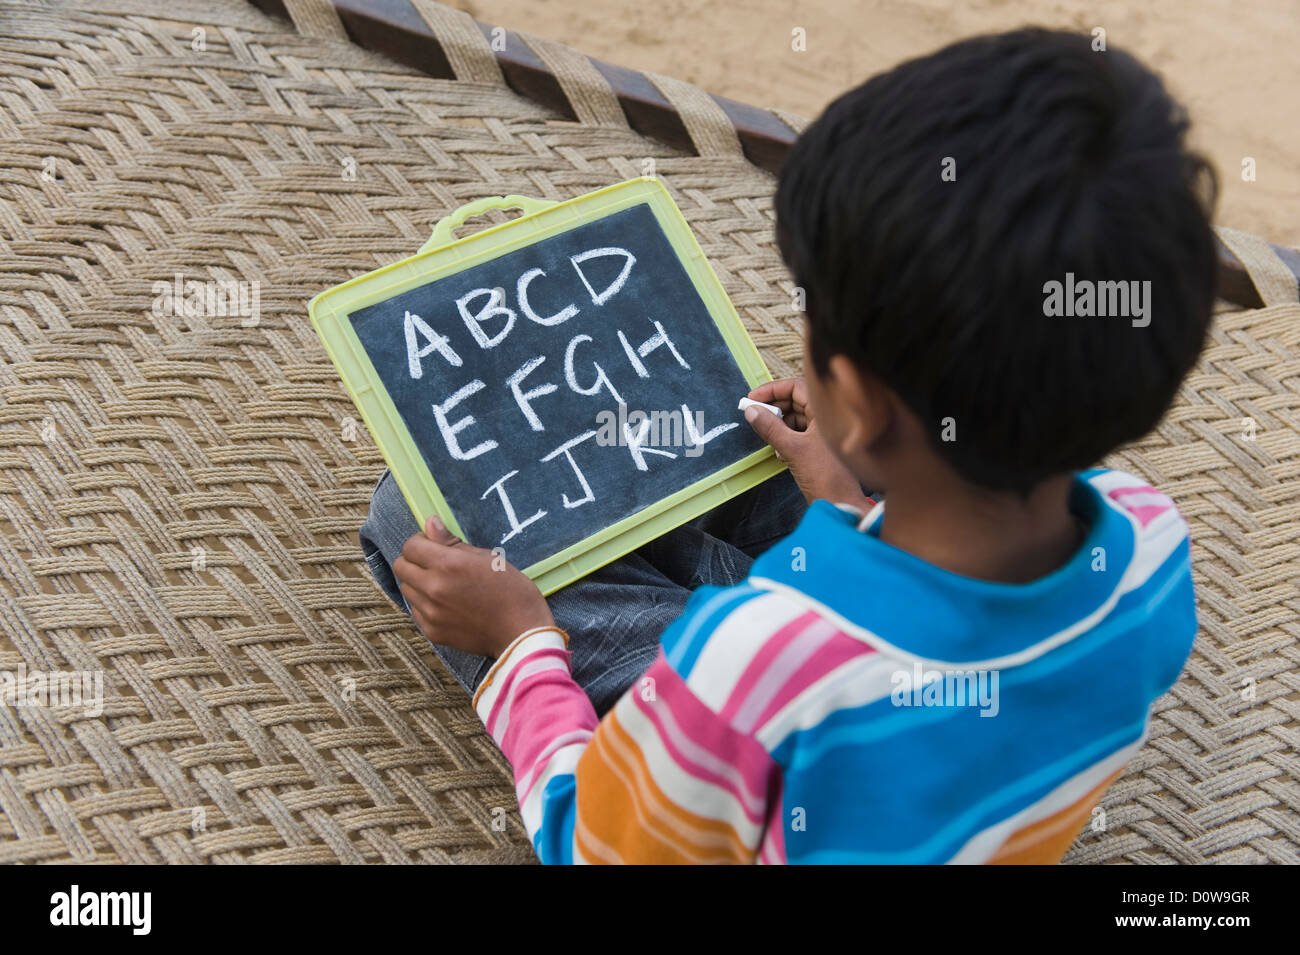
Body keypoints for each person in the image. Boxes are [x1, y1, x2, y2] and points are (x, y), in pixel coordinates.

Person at [361, 28, 1217, 863]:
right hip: (888, 751)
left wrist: (518, 647)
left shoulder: (750, 666)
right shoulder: (1150, 544)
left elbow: (590, 841)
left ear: (870, 403)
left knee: (418, 509)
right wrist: (848, 500)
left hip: (778, 712)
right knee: (696, 451)